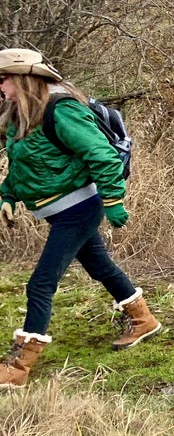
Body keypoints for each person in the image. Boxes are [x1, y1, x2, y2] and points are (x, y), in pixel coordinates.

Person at [0, 49, 162, 389]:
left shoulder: (62, 111)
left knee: (40, 284)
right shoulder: (21, 114)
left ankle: (19, 367)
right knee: (99, 267)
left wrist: (115, 200)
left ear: (22, 78)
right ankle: (142, 319)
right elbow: (25, 163)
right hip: (59, 211)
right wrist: (9, 194)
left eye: (2, 78)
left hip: (79, 208)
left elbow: (101, 154)